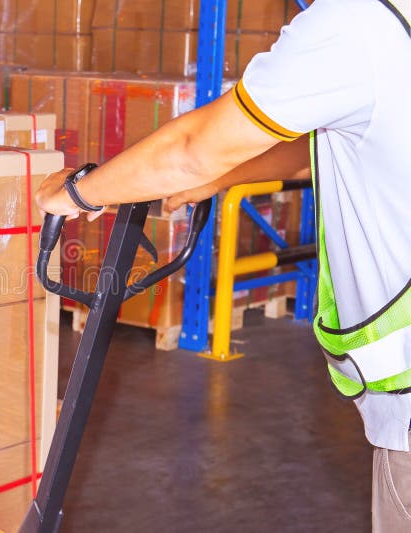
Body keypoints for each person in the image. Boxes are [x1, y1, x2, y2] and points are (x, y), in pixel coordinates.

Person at [34, 0, 411, 530]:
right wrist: (225, 175)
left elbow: (190, 149)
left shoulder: (354, 21)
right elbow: (337, 135)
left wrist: (76, 192)